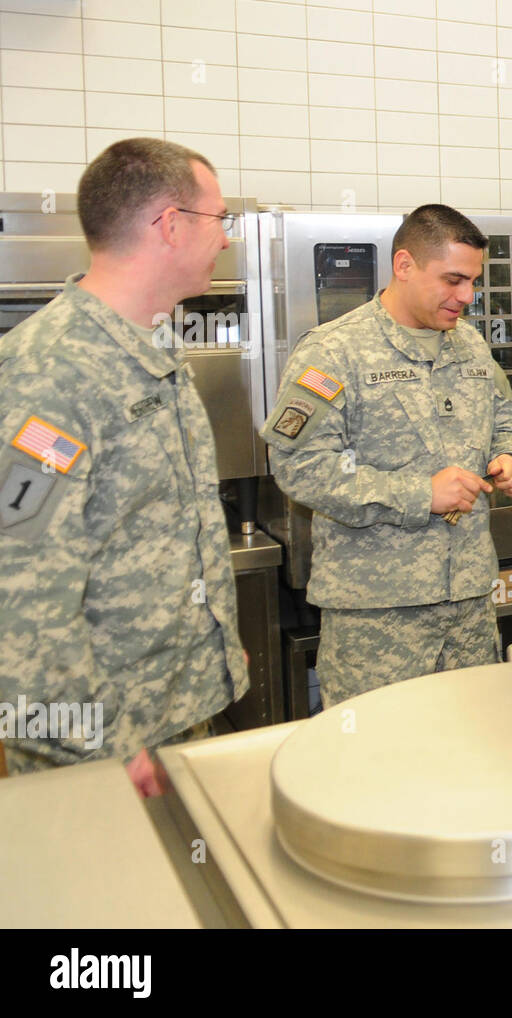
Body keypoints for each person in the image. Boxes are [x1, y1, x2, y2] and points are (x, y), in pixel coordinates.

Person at [0, 138, 249, 792]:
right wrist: (98, 749)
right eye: (218, 219)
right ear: (171, 225)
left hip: (172, 717)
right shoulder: (49, 373)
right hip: (97, 760)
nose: (225, 239)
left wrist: (215, 644)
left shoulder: (152, 351)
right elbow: (19, 599)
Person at [260, 204, 512, 706]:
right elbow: (298, 466)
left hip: (470, 604)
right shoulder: (334, 351)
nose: (467, 297)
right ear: (404, 265)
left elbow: (511, 423)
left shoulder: (470, 345)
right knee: (380, 749)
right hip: (378, 616)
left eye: (473, 282)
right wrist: (419, 494)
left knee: (473, 741)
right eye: (453, 280)